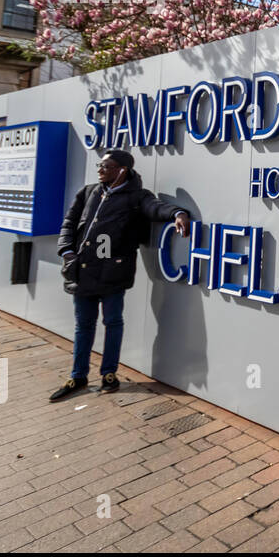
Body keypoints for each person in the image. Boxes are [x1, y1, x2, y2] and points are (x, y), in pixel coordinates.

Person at [50, 149, 191, 401]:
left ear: (122, 170)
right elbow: (69, 224)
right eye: (100, 165)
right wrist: (66, 251)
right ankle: (78, 376)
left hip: (113, 274)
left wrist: (178, 214)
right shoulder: (88, 192)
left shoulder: (136, 197)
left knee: (113, 323)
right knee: (83, 326)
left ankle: (109, 375)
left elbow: (156, 208)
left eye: (106, 166)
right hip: (82, 272)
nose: (100, 169)